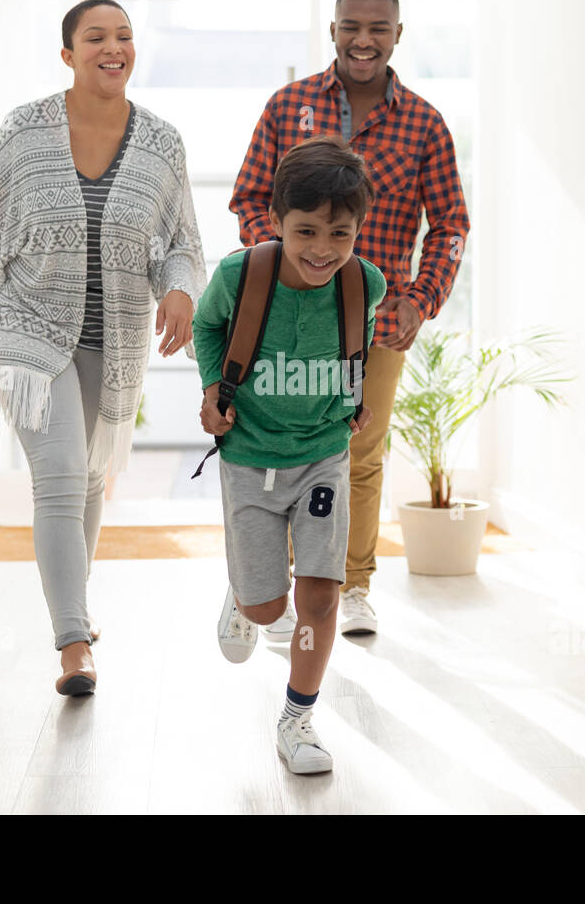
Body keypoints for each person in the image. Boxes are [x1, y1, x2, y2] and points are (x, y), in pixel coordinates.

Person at [0, 0, 207, 696]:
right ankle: (74, 645)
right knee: (59, 477)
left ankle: (74, 610)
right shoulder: (24, 131)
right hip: (25, 331)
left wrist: (179, 288)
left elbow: (181, 243)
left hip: (112, 341)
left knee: (88, 480)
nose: (112, 47)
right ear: (68, 53)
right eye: (96, 37)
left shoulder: (162, 143)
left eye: (123, 36)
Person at [230, 0, 469, 638]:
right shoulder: (288, 107)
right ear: (333, 30)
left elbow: (451, 223)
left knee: (358, 451)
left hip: (375, 320)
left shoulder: (424, 123)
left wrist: (420, 301)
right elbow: (250, 199)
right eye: (351, 27)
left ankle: (352, 586)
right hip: (285, 317)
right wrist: (281, 265)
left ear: (397, 35)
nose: (364, 41)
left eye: (378, 29)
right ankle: (264, 589)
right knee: (277, 447)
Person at [195, 136, 387, 774]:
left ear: (359, 229)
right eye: (306, 230)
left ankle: (299, 718)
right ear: (275, 223)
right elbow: (207, 326)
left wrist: (352, 397)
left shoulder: (365, 283)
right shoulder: (239, 275)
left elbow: (355, 345)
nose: (323, 250)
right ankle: (245, 591)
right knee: (266, 609)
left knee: (320, 598)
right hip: (250, 453)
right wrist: (210, 389)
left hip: (323, 455)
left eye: (340, 232)